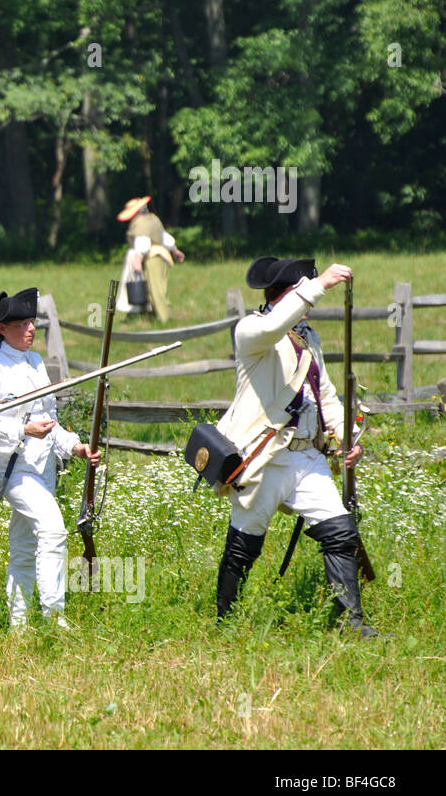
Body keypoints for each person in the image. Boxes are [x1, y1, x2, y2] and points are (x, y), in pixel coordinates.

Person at [211, 258, 374, 636]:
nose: (310, 300)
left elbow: (325, 395)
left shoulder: (308, 337)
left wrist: (345, 435)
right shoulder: (252, 330)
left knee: (340, 532)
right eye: (301, 291)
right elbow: (273, 325)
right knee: (244, 546)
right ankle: (224, 624)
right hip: (263, 458)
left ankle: (352, 624)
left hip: (305, 456)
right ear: (283, 295)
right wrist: (321, 284)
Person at [0, 288, 100, 630]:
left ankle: (18, 623)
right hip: (12, 468)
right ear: (2, 329)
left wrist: (75, 447)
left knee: (25, 547)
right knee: (54, 531)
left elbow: (49, 420)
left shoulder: (37, 362)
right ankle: (54, 615)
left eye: (32, 322)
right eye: (22, 323)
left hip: (44, 468)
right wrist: (22, 430)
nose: (30, 329)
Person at [115, 196, 185, 322]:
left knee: (155, 289)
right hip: (161, 257)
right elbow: (163, 236)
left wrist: (137, 260)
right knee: (155, 288)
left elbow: (144, 243)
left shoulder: (142, 223)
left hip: (152, 259)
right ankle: (151, 316)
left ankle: (163, 318)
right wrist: (175, 250)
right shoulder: (153, 219)